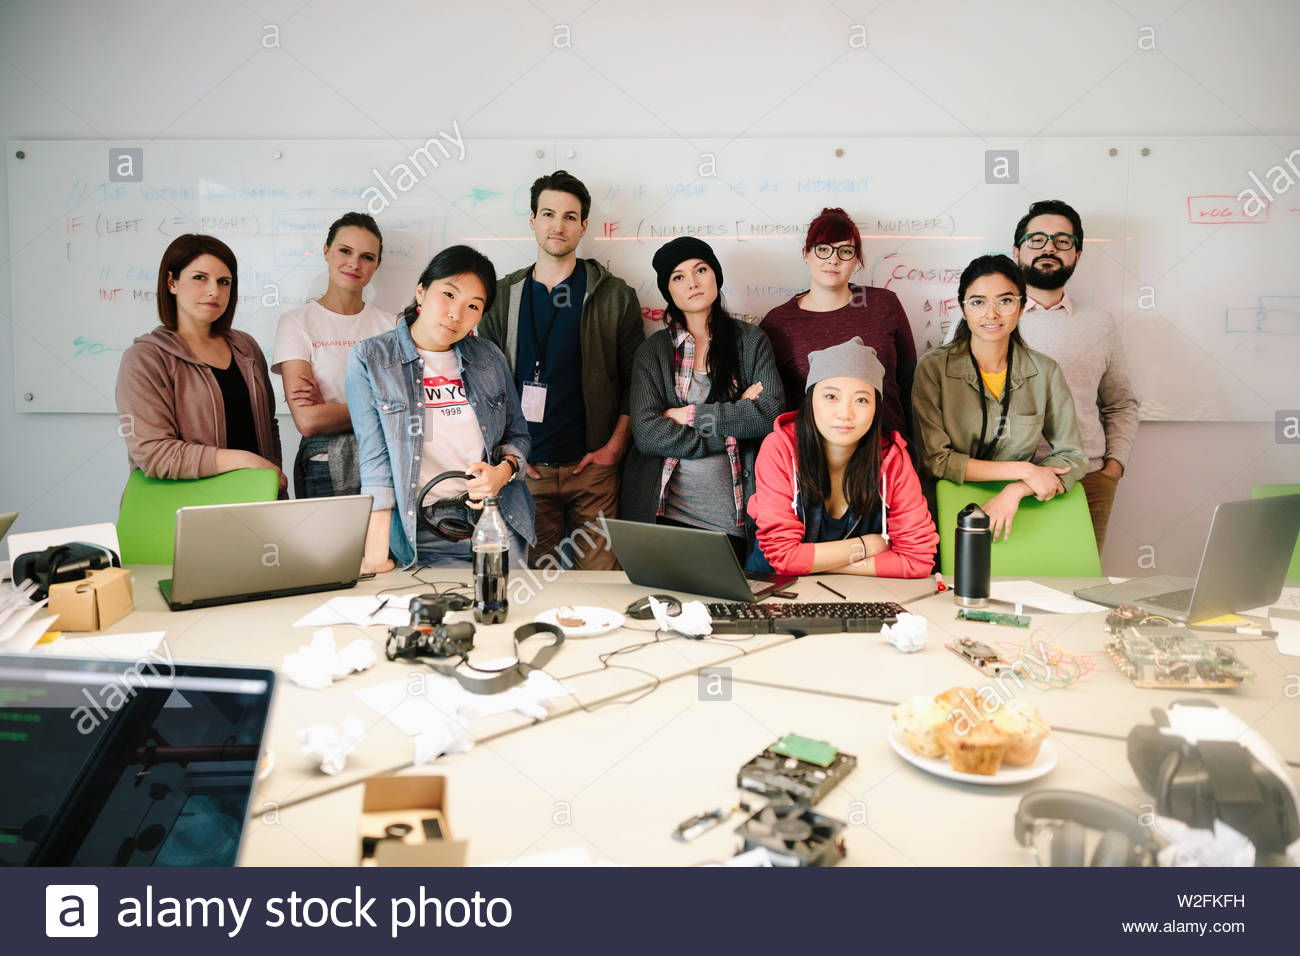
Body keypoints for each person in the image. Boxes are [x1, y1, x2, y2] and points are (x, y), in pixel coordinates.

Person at [478, 170, 642, 569]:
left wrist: (614, 447)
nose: (558, 225)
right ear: (532, 220)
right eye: (548, 214)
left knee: (603, 586)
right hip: (524, 474)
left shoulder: (614, 295)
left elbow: (635, 381)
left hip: (594, 472)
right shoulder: (501, 297)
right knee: (532, 588)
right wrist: (506, 456)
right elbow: (484, 386)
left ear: (584, 226)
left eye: (570, 216)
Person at [346, 246, 533, 572]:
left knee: (502, 617)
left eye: (473, 306)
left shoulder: (488, 358)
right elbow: (376, 466)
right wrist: (376, 556)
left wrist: (501, 473)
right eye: (448, 294)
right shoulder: (373, 359)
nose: (456, 314)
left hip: (497, 521)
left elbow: (519, 435)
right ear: (421, 290)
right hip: (426, 530)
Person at [622, 237, 784, 558]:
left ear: (716, 275)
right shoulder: (652, 352)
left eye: (701, 269)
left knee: (721, 606)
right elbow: (648, 435)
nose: (693, 283)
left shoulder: (751, 342)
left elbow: (769, 415)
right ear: (668, 290)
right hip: (665, 513)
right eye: (678, 277)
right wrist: (734, 423)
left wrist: (688, 416)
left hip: (732, 517)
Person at [912, 254, 1087, 541]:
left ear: (1021, 306)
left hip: (1020, 511)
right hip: (946, 509)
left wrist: (1018, 488)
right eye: (978, 302)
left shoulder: (1044, 371)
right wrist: (1025, 470)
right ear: (963, 309)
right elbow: (936, 460)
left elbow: (1073, 456)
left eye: (1005, 301)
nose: (991, 314)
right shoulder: (933, 368)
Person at [747, 337, 937, 577]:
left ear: (876, 408)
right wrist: (869, 546)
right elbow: (782, 558)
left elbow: (917, 560)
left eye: (861, 400)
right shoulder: (779, 449)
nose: (845, 414)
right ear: (810, 401)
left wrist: (817, 564)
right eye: (831, 397)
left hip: (857, 595)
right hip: (774, 589)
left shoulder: (892, 458)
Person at [1011, 199, 1139, 552]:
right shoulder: (986, 316)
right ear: (1017, 250)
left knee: (1079, 592)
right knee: (1000, 588)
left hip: (1086, 481)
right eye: (1036, 239)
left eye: (1062, 241)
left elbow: (1121, 403)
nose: (1049, 248)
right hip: (1003, 479)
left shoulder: (1099, 323)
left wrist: (1113, 466)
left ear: (1077, 254)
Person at [115, 234, 283, 488]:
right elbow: (153, 453)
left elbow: (269, 426)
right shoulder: (145, 359)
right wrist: (245, 460)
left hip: (256, 502)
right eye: (199, 278)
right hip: (190, 511)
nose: (214, 290)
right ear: (172, 282)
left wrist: (271, 479)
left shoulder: (246, 347)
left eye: (224, 281)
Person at [761, 207, 916, 438]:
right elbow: (775, 405)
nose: (833, 260)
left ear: (855, 260)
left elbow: (909, 382)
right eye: (823, 249)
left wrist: (910, 448)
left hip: (888, 453)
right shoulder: (778, 323)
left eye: (845, 251)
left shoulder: (884, 304)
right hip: (816, 457)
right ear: (806, 254)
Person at [272, 212, 396, 498]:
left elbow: (405, 406)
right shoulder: (296, 322)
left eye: (367, 256)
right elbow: (308, 421)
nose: (354, 263)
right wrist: (378, 405)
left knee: (382, 545)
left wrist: (333, 410)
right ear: (326, 251)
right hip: (321, 467)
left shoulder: (391, 326)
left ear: (377, 265)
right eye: (345, 251)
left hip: (385, 462)